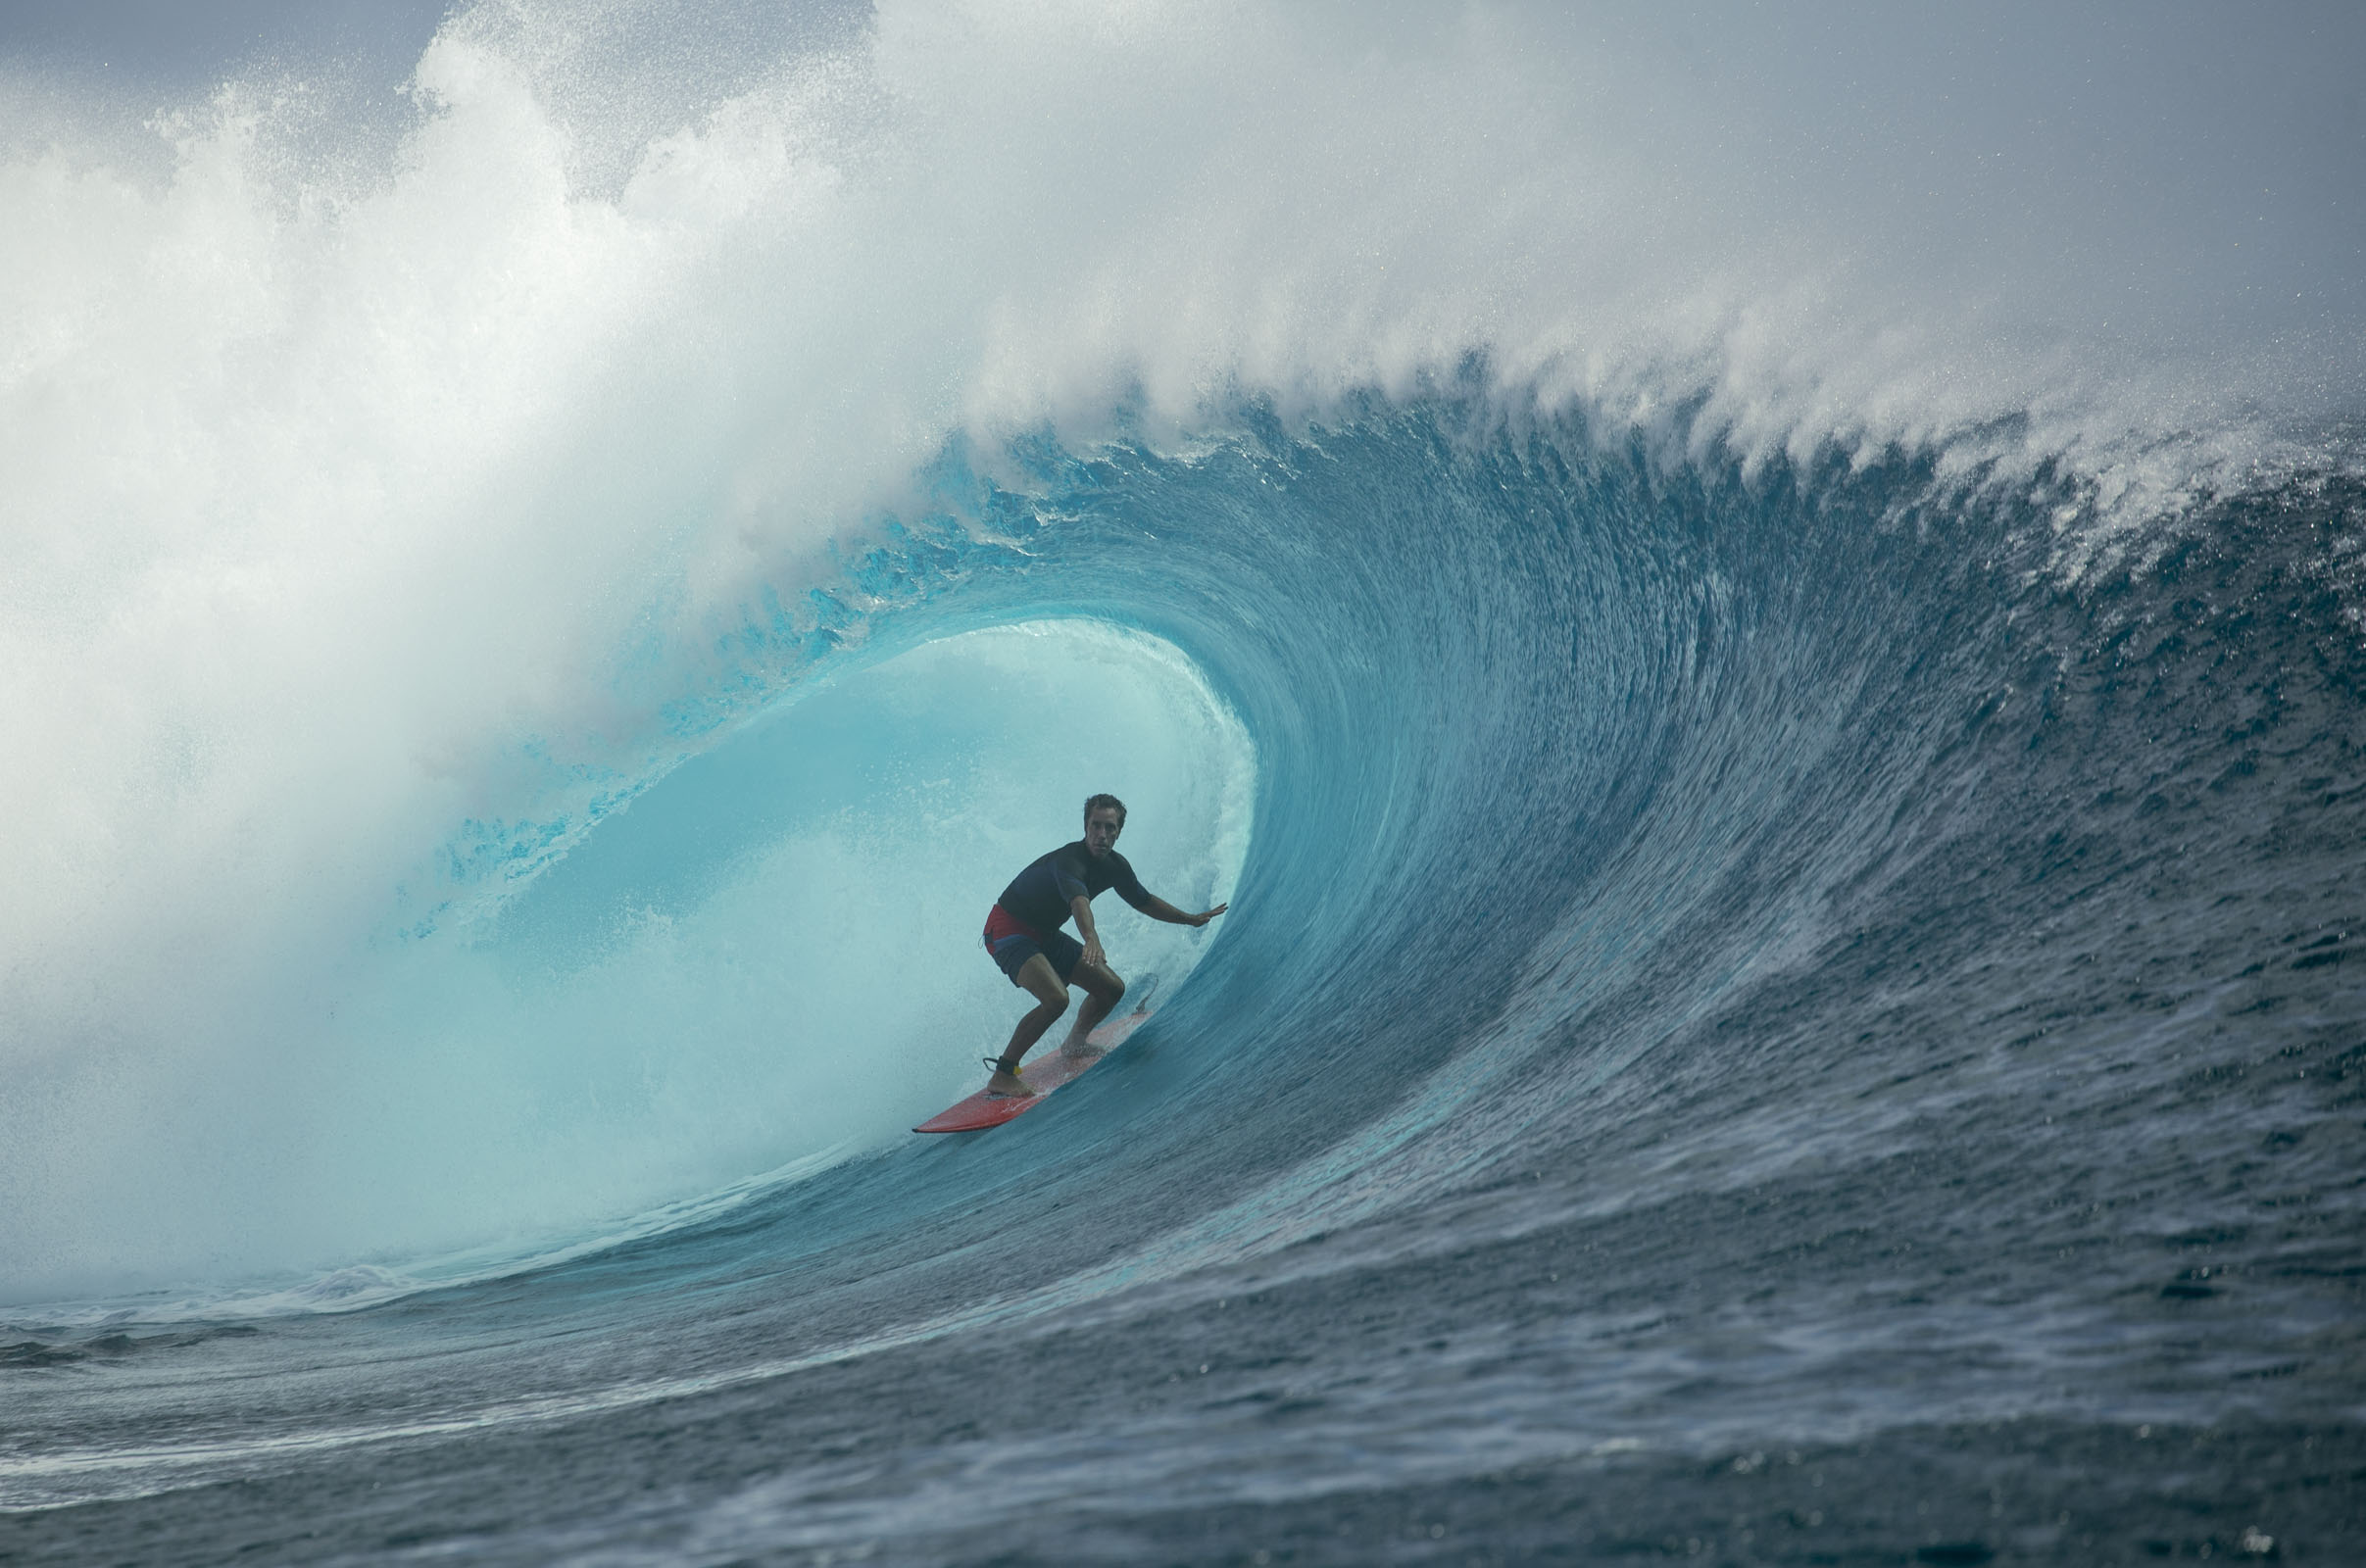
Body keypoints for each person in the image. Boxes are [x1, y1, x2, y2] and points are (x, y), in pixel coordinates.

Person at [979, 793, 1227, 1097]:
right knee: (1056, 1000)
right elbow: (1078, 902)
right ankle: (1004, 1074)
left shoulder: (1116, 866)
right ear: (1085, 826)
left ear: (1119, 831)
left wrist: (1190, 919)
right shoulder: (1069, 862)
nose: (1102, 834)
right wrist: (1091, 938)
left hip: (1044, 933)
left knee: (1111, 989)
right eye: (1096, 825)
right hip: (1007, 930)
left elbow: (1144, 901)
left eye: (1110, 828)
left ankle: (1075, 1043)